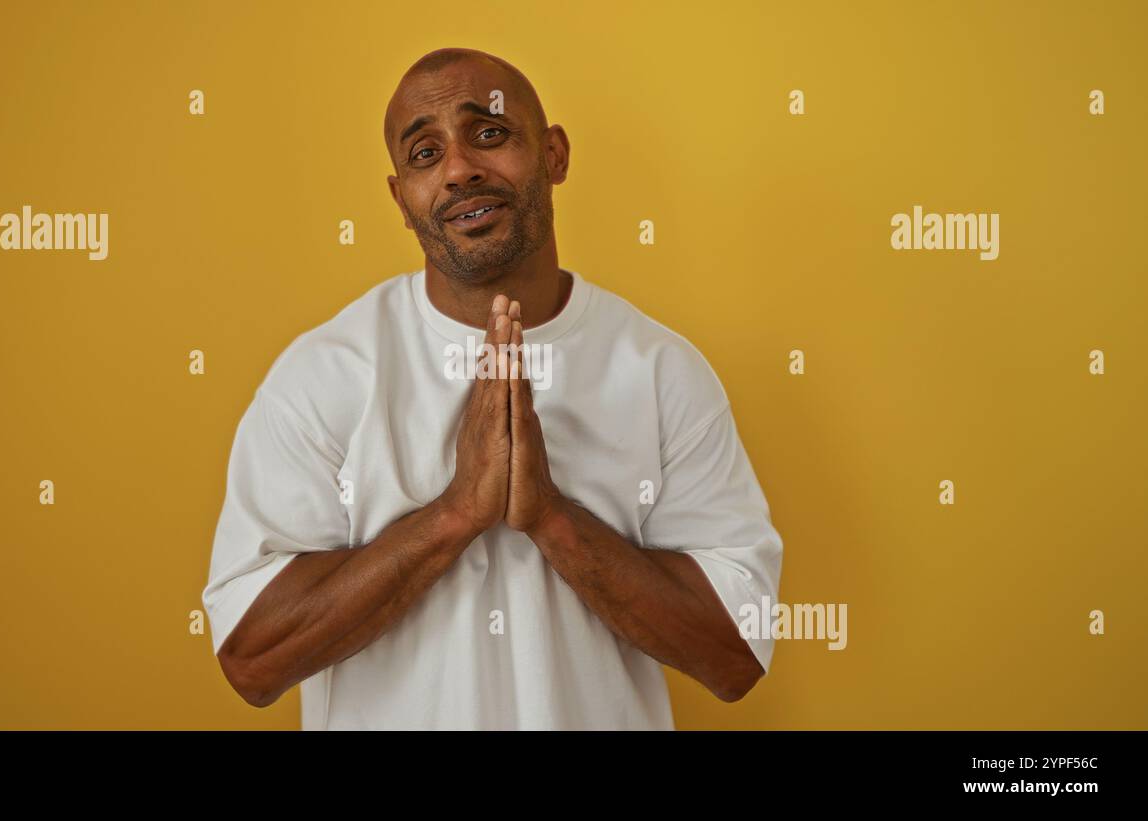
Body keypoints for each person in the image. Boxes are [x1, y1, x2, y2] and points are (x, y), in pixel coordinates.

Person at [202, 47, 784, 729]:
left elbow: (737, 652)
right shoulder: (324, 372)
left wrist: (551, 518)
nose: (458, 169)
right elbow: (252, 658)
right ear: (400, 198)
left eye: (489, 133)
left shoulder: (662, 370)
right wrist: (452, 515)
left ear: (555, 155)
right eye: (423, 154)